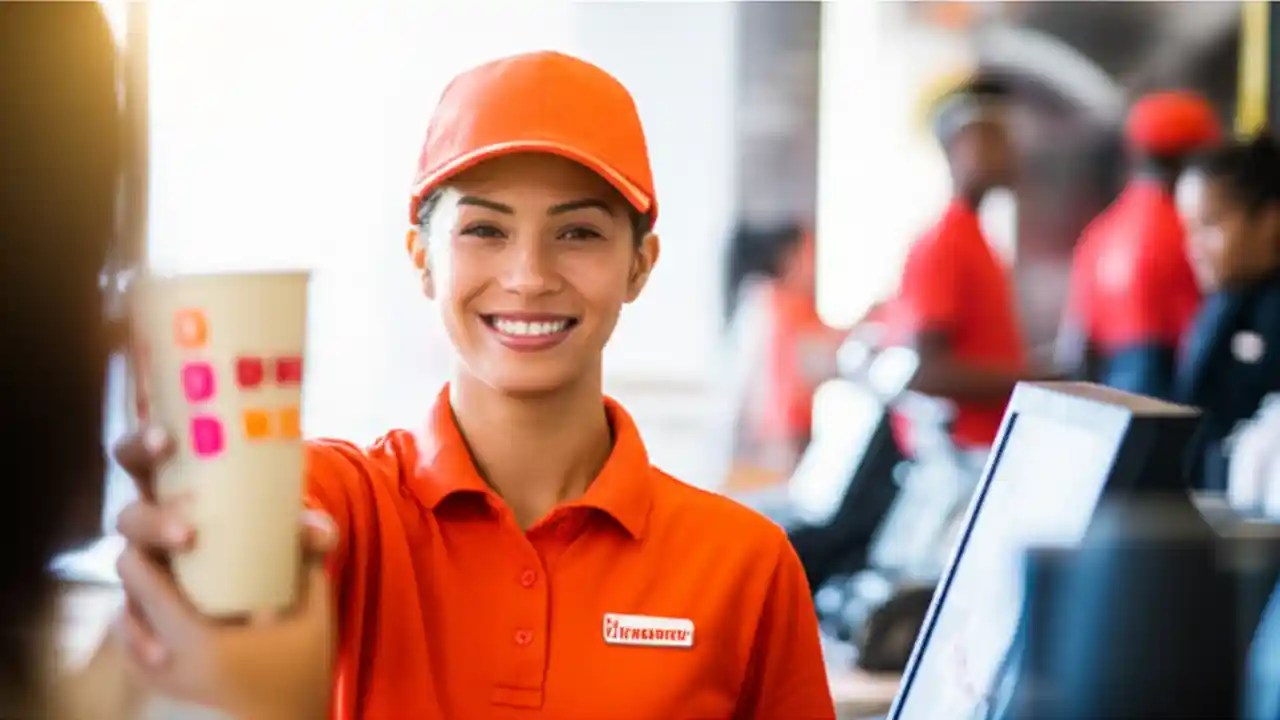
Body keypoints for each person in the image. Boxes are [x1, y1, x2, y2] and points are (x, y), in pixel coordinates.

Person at [114, 51, 837, 719]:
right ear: (422, 260)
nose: (528, 276)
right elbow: (251, 526)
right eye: (485, 231)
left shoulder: (745, 564)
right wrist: (201, 523)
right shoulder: (342, 508)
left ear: (639, 266)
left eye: (578, 232)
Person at [883, 77, 1051, 456]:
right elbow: (927, 371)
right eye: (995, 139)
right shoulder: (944, 242)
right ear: (961, 148)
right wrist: (1039, 380)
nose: (1011, 152)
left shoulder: (976, 237)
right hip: (962, 455)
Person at [1058, 91, 1221, 398]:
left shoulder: (1100, 232)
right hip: (1176, 397)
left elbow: (1078, 349)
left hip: (1114, 396)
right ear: (1194, 155)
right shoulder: (1194, 229)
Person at [1175, 134, 1280, 491]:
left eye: (1210, 225)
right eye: (1188, 230)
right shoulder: (1224, 303)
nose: (1194, 248)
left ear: (1269, 220)